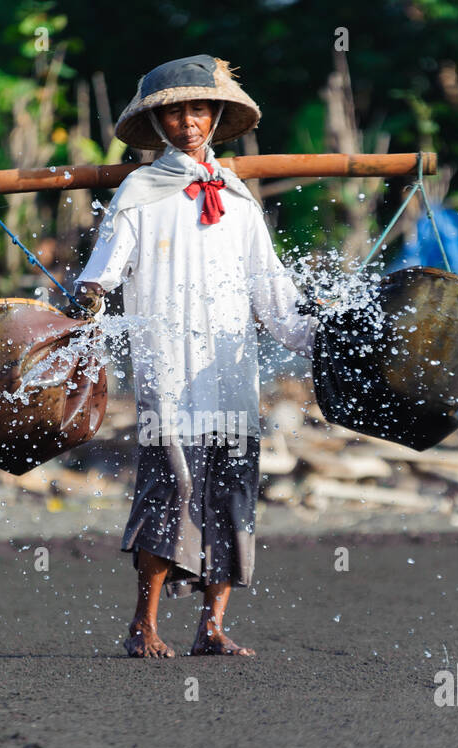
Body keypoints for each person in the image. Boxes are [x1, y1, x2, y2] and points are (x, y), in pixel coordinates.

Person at [73, 54, 318, 659]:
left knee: (231, 492)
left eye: (198, 109)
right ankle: (143, 623)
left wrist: (324, 338)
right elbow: (104, 268)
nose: (187, 122)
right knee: (169, 487)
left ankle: (211, 625)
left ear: (215, 117)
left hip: (231, 372)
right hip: (168, 370)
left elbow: (274, 293)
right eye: (176, 112)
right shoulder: (140, 190)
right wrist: (89, 298)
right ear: (158, 125)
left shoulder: (237, 198)